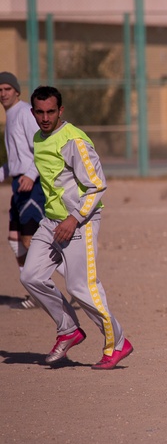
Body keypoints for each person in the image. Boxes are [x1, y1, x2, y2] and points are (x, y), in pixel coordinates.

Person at [20, 86, 133, 369]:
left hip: (79, 221)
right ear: (33, 112)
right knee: (31, 276)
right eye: (39, 112)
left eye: (51, 112)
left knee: (81, 287)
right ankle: (69, 329)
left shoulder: (74, 140)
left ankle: (118, 344)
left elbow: (97, 185)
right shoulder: (38, 137)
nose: (45, 118)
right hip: (51, 222)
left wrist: (74, 218)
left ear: (61, 111)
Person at [0, 71, 45, 308]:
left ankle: (67, 279)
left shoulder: (26, 113)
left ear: (17, 91)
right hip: (18, 185)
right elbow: (16, 159)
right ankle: (35, 291)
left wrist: (31, 174)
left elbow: (40, 149)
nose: (3, 93)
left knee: (30, 241)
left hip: (32, 185)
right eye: (0, 89)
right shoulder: (11, 116)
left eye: (7, 88)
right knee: (14, 240)